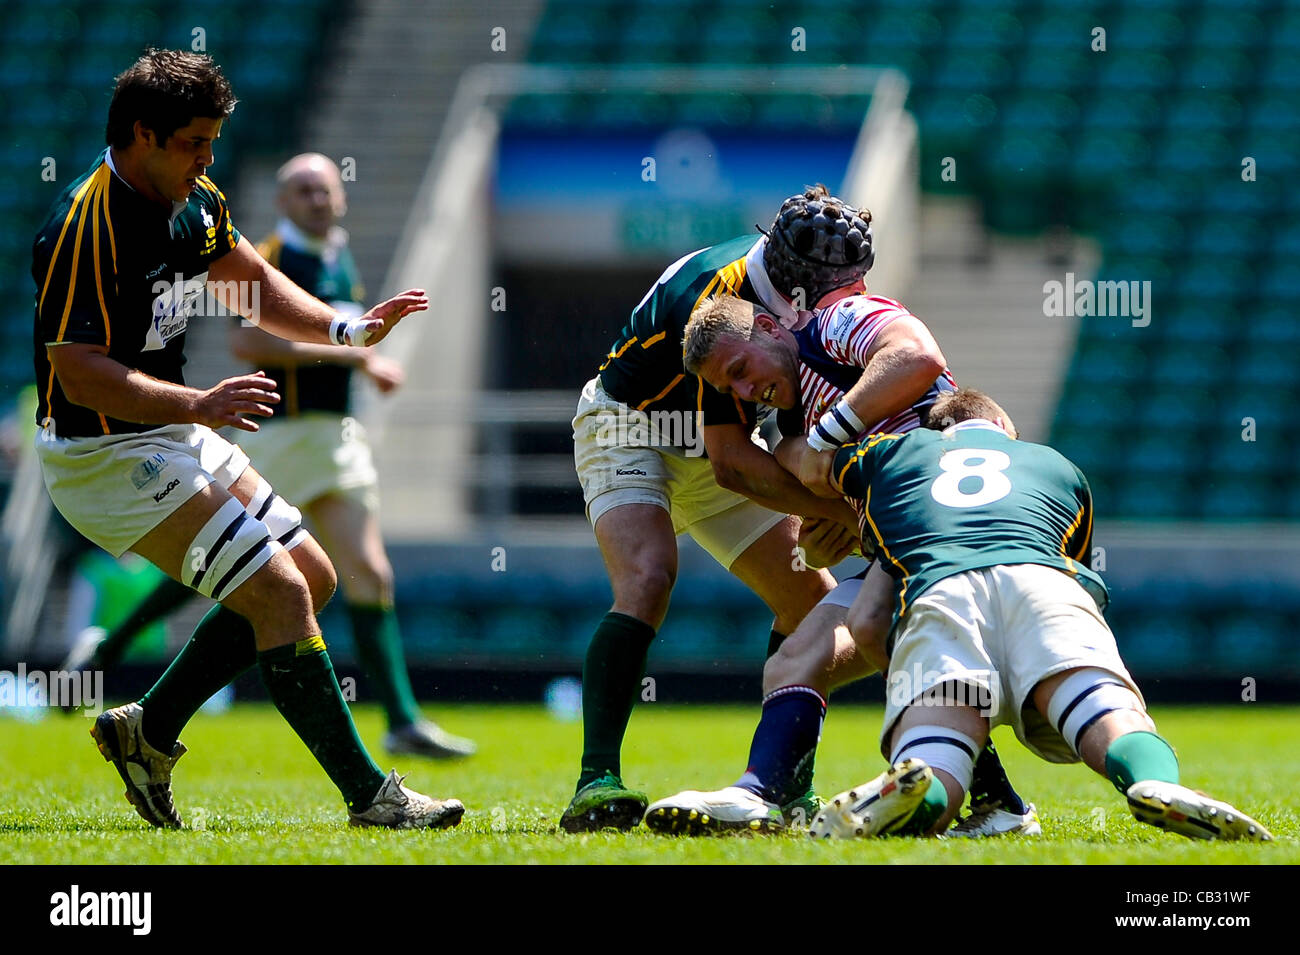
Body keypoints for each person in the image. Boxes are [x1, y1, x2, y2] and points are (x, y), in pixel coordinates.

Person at [32, 48, 460, 829]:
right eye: (195, 141)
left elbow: (249, 284)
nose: (208, 157)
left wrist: (344, 327)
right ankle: (374, 797)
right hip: (102, 454)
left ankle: (146, 730)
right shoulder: (85, 226)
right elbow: (80, 373)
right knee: (280, 591)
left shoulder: (190, 199)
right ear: (140, 134)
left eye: (213, 141)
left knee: (315, 576)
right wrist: (198, 401)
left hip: (168, 430)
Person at [782, 388, 1272, 842]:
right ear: (999, 422)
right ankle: (1153, 781)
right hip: (1043, 582)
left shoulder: (893, 454)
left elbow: (811, 465)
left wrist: (781, 444)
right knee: (1105, 714)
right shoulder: (1058, 465)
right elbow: (1075, 565)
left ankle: (919, 783)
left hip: (941, 592)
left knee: (940, 754)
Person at [641, 282, 1035, 836]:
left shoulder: (834, 323)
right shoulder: (786, 429)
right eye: (732, 386)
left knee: (1053, 696)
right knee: (796, 658)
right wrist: (837, 530)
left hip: (973, 546)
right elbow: (823, 504)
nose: (748, 389)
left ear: (769, 328)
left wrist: (828, 437)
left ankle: (1135, 780)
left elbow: (917, 358)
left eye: (741, 368)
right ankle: (763, 794)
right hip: (906, 559)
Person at [562, 186, 870, 831]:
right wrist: (847, 514)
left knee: (810, 605)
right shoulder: (727, 301)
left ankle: (782, 786)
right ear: (792, 275)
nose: (846, 295)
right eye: (834, 285)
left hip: (714, 442)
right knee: (648, 577)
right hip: (631, 426)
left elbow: (778, 426)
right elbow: (732, 463)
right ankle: (597, 782)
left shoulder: (805, 283)